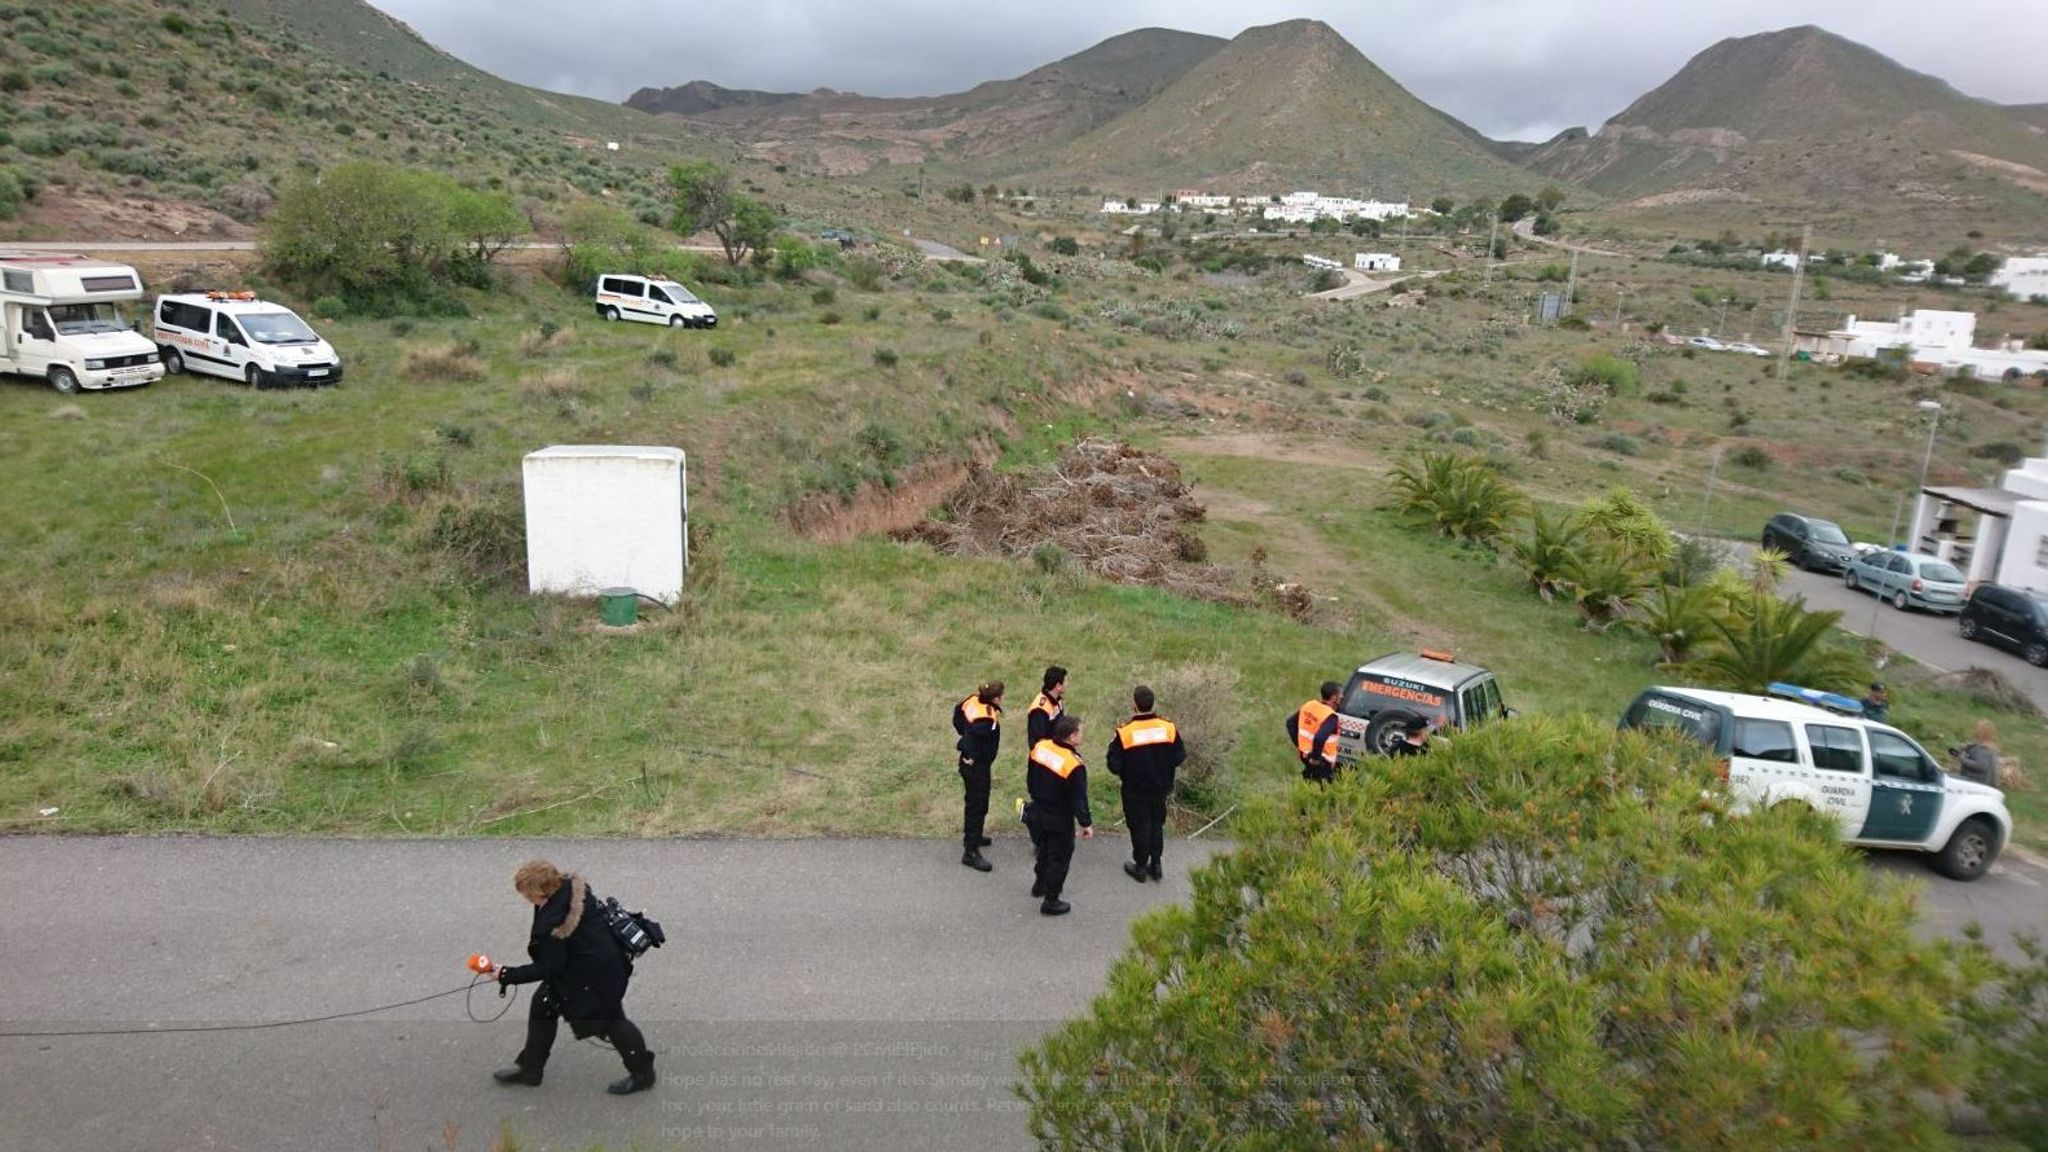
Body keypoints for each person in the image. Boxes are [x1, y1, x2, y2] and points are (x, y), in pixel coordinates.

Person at [492, 860, 657, 1095]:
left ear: (543, 892)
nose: (527, 901)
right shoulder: (570, 888)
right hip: (603, 961)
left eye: (530, 897)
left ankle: (643, 1074)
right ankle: (531, 1068)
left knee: (613, 1022)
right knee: (543, 1005)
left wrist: (506, 974)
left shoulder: (554, 924)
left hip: (593, 978)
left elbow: (549, 968)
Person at [1106, 685, 1185, 884]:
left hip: (1135, 790)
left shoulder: (1125, 733)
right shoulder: (1168, 728)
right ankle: (1156, 865)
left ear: (1135, 704)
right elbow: (1179, 756)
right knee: (1157, 824)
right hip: (1161, 788)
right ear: (1152, 703)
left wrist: (1128, 772)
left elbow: (1114, 764)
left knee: (1139, 826)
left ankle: (1140, 866)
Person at [1027, 714, 1095, 915]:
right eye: (1080, 732)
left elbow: (1030, 777)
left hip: (1038, 810)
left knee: (1043, 850)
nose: (1082, 735)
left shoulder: (1041, 747)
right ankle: (1051, 900)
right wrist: (1085, 823)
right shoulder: (1073, 764)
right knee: (1059, 858)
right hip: (1058, 818)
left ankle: (1039, 884)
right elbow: (1078, 798)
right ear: (1072, 736)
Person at [951, 681, 1004, 872]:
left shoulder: (972, 701)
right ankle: (971, 852)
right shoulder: (986, 719)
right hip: (976, 767)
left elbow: (957, 715)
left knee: (978, 803)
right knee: (977, 805)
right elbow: (972, 739)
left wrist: (962, 732)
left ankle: (975, 835)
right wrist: (970, 755)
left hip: (975, 765)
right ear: (995, 698)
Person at [1286, 681, 1344, 782]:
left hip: (1306, 757)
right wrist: (1316, 758)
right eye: (1341, 696)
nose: (1342, 698)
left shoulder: (1310, 705)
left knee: (1308, 786)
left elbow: (1290, 723)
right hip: (1323, 763)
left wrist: (1301, 747)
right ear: (1334, 698)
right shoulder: (1331, 717)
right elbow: (1319, 737)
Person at [1027, 666, 1067, 749]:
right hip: (1044, 757)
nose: (1067, 684)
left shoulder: (1057, 700)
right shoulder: (1039, 709)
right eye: (1065, 681)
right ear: (1058, 686)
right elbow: (1039, 740)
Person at [1957, 719, 2000, 786]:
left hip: (1977, 783)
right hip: (1982, 783)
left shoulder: (1983, 749)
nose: (1973, 731)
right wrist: (1965, 747)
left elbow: (1980, 766)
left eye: (1976, 729)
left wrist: (1962, 759)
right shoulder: (1987, 746)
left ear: (1982, 732)